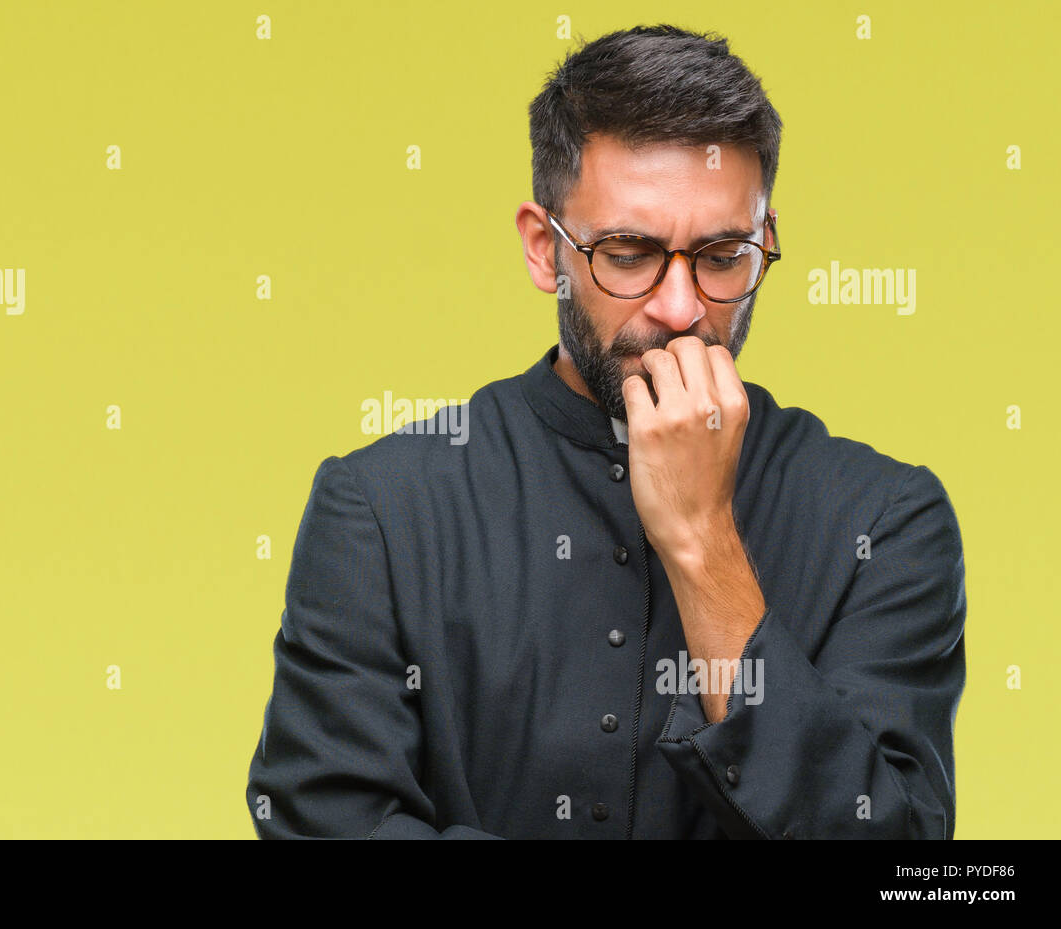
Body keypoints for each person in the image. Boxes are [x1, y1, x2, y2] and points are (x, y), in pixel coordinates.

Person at [246, 24, 965, 839]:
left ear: (763, 241)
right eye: (628, 253)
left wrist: (704, 547)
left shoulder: (888, 520)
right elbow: (325, 821)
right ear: (543, 250)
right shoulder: (379, 509)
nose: (682, 307)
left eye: (724, 255)